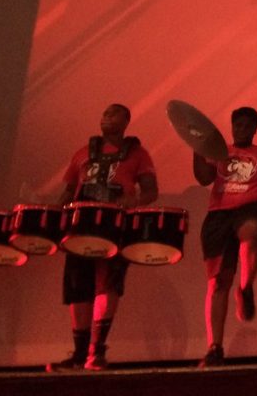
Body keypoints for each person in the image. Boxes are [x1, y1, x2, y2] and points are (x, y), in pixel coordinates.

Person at [47, 104, 158, 372]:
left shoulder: (138, 154)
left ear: (126, 120)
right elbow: (69, 192)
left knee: (107, 283)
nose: (106, 117)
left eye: (113, 113)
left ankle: (97, 352)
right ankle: (79, 353)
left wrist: (133, 201)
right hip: (81, 222)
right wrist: (54, 213)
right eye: (103, 114)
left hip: (115, 222)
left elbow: (151, 191)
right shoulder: (82, 153)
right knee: (78, 287)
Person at [193, 106, 257, 367]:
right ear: (233, 126)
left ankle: (246, 286)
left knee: (253, 229)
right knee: (217, 284)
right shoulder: (219, 152)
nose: (242, 129)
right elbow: (203, 178)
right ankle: (215, 347)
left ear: (255, 129)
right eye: (238, 125)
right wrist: (196, 147)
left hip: (250, 207)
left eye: (248, 126)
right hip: (218, 215)